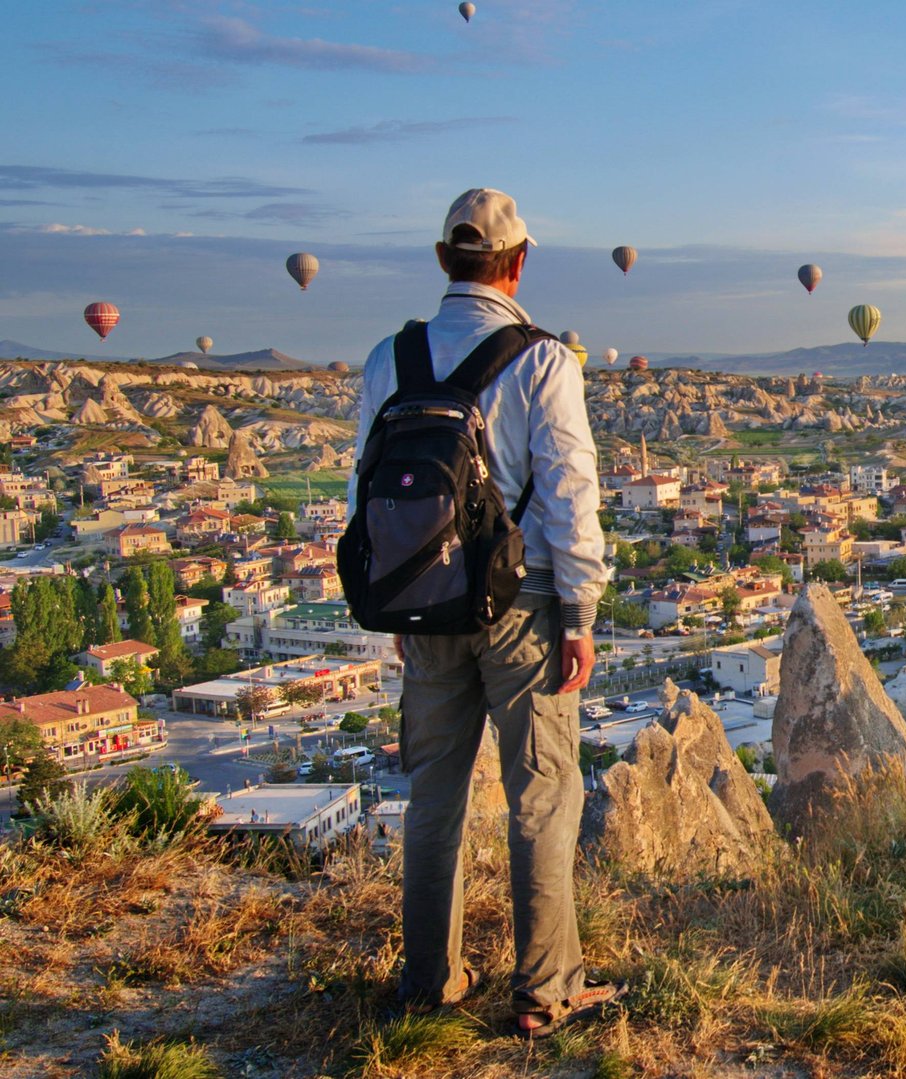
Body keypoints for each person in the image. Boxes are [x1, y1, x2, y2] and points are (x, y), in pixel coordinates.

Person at [351, 188, 619, 1038]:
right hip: (525, 603)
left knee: (433, 796)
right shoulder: (545, 361)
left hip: (425, 602)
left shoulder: (389, 359)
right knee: (540, 792)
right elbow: (571, 493)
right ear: (519, 261)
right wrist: (580, 609)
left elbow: (368, 493)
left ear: (443, 262)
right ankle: (546, 990)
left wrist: (398, 608)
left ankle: (427, 981)